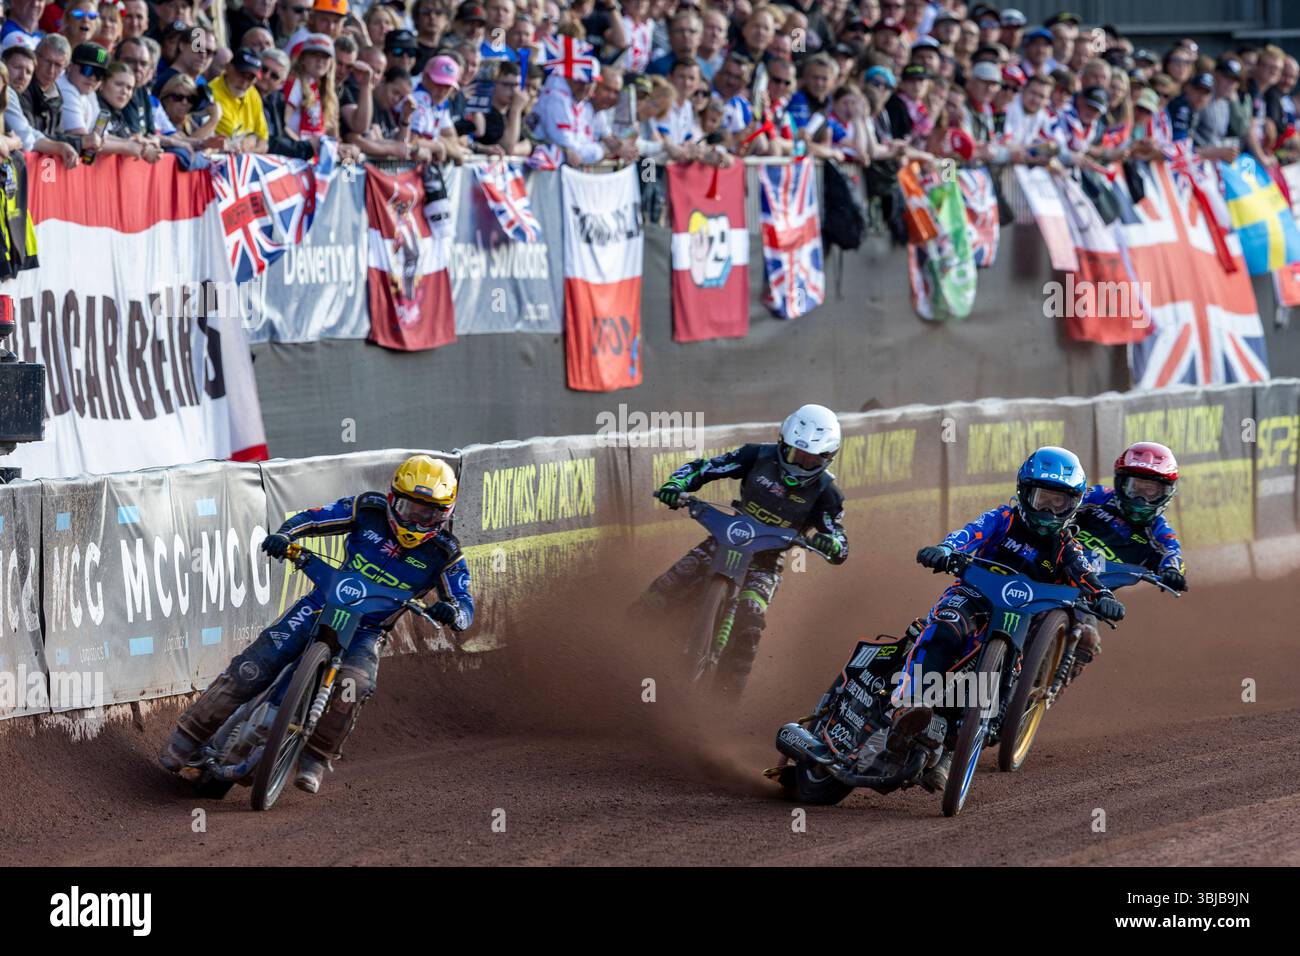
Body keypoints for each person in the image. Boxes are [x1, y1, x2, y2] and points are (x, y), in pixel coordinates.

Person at [159, 455, 475, 795]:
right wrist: (284, 536)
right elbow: (313, 518)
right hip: (320, 605)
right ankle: (186, 738)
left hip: (367, 631)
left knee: (355, 683)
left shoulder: (446, 554)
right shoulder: (366, 509)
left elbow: (464, 604)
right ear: (391, 497)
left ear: (443, 515)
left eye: (427, 513)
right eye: (409, 507)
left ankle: (316, 758)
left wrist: (451, 612)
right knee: (253, 666)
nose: (415, 519)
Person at [901, 447, 1125, 790]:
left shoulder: (1066, 546)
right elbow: (969, 534)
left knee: (1004, 685)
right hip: (974, 597)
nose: (1049, 510)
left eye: (1060, 502)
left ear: (1073, 505)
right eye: (1042, 499)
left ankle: (950, 749)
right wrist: (945, 551)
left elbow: (1084, 575)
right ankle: (910, 702)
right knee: (945, 630)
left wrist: (1103, 596)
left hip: (1021, 617)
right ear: (1024, 493)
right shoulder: (1003, 519)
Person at [641, 405, 850, 696]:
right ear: (781, 445)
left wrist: (831, 544)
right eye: (795, 455)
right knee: (665, 587)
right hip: (724, 539)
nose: (800, 464)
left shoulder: (828, 493)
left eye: (810, 459)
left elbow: (838, 539)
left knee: (751, 618)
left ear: (827, 458)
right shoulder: (756, 455)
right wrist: (676, 485)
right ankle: (622, 646)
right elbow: (705, 467)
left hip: (766, 562)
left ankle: (725, 701)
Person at [209, 46, 268, 151]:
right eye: (241, 74)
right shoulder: (212, 93)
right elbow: (232, 141)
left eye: (251, 77)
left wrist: (253, 143)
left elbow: (264, 141)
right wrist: (253, 140)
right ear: (228, 68)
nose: (244, 82)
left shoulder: (253, 93)